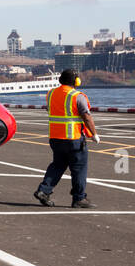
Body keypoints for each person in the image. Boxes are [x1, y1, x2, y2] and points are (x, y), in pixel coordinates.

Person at [33, 69, 99, 209]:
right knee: (79, 168)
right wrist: (94, 134)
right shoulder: (77, 96)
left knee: (57, 165)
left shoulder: (50, 94)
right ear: (76, 81)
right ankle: (79, 198)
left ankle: (43, 191)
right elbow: (86, 117)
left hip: (56, 138)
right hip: (73, 138)